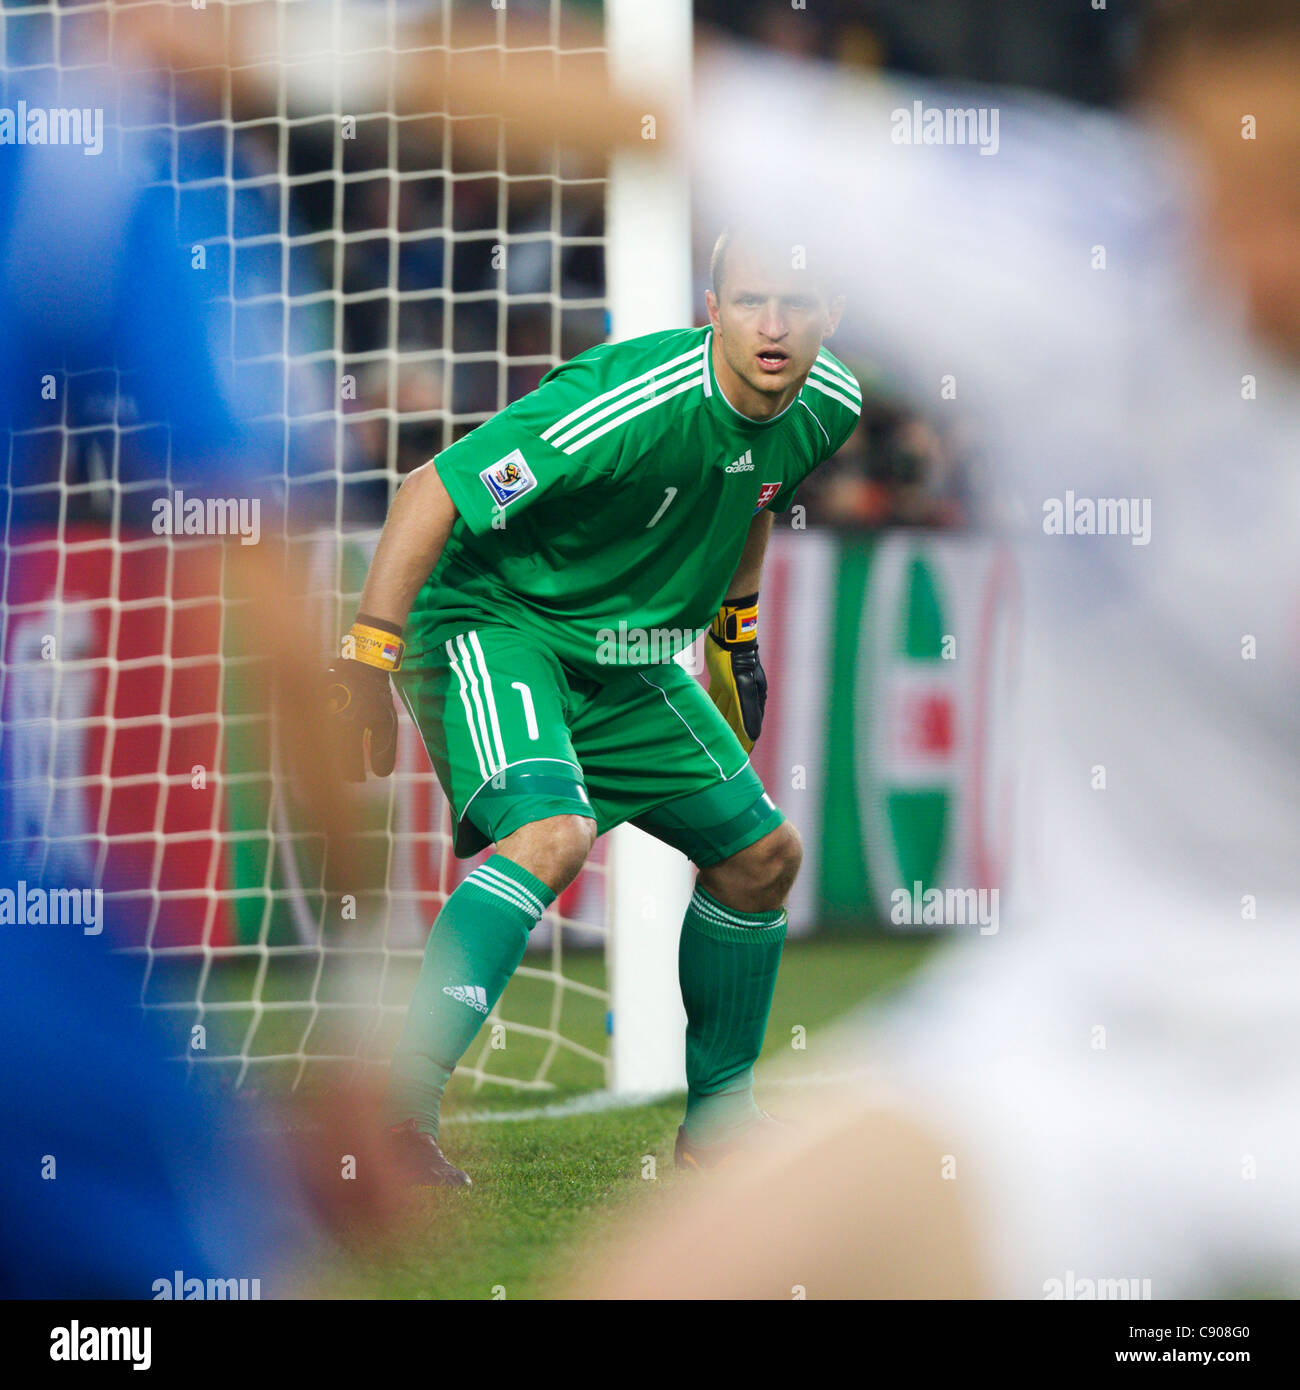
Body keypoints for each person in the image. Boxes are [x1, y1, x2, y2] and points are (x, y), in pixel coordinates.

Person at [578, 0, 1300, 1297]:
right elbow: (651, 105)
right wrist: (268, 44)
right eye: (1238, 197)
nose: (1266, 255)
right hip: (1093, 1028)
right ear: (1165, 135)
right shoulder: (1059, 242)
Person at [323, 228, 860, 1184]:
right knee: (553, 835)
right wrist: (369, 651)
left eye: (798, 303)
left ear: (835, 317)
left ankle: (721, 1127)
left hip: (628, 655)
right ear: (711, 308)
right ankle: (393, 1126)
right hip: (494, 621)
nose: (772, 326)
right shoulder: (626, 404)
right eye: (748, 302)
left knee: (762, 859)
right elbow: (429, 490)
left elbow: (757, 491)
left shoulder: (830, 404)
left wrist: (735, 627)